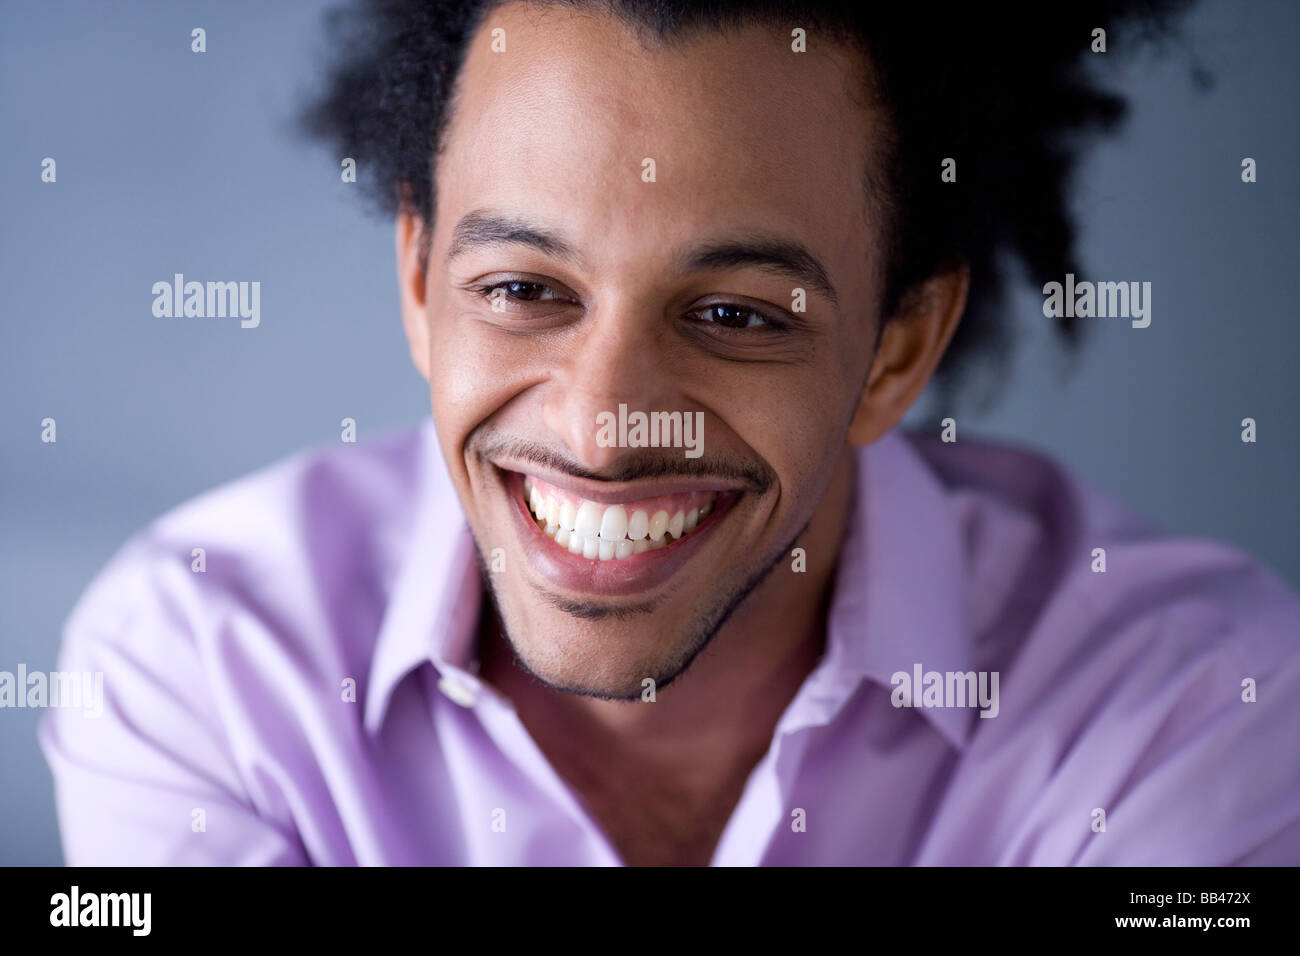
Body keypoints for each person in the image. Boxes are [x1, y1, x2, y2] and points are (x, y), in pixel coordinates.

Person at [41, 0, 1300, 865]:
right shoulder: (196, 664)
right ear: (420, 284)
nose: (600, 424)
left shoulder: (1191, 711)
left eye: (734, 313)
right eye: (525, 289)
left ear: (898, 347)